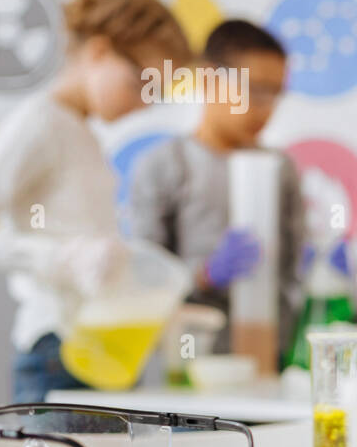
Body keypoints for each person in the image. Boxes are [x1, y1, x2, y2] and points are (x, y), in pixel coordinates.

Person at [0, 0, 190, 402]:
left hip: (98, 346)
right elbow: (69, 253)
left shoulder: (83, 133)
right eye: (142, 84)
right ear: (99, 51)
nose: (147, 104)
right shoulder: (39, 123)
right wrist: (58, 258)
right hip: (56, 349)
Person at [126, 20, 304, 366]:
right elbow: (145, 279)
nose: (265, 108)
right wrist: (202, 275)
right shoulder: (164, 165)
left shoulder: (280, 169)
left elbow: (292, 275)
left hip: (267, 359)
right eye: (254, 90)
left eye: (276, 94)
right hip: (189, 364)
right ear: (208, 77)